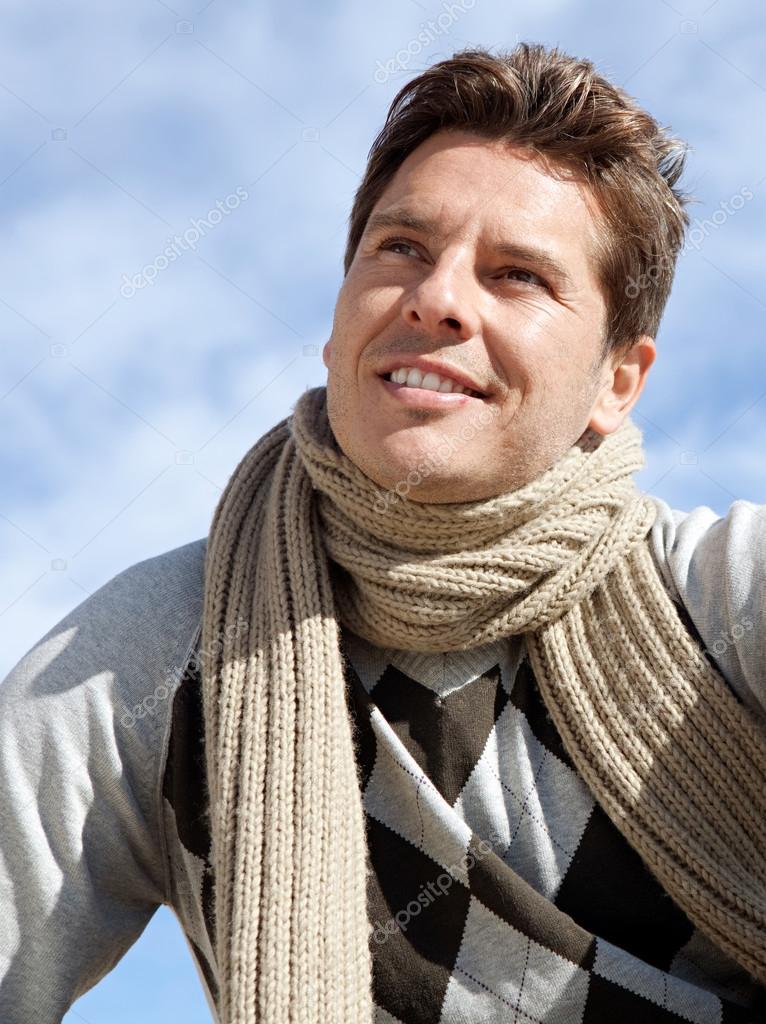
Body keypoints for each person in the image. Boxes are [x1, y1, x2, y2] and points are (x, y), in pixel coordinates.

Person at [1, 40, 765, 1024]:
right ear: (335, 323)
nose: (436, 298)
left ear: (618, 382)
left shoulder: (721, 600)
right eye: (402, 248)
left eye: (517, 275)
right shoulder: (154, 656)